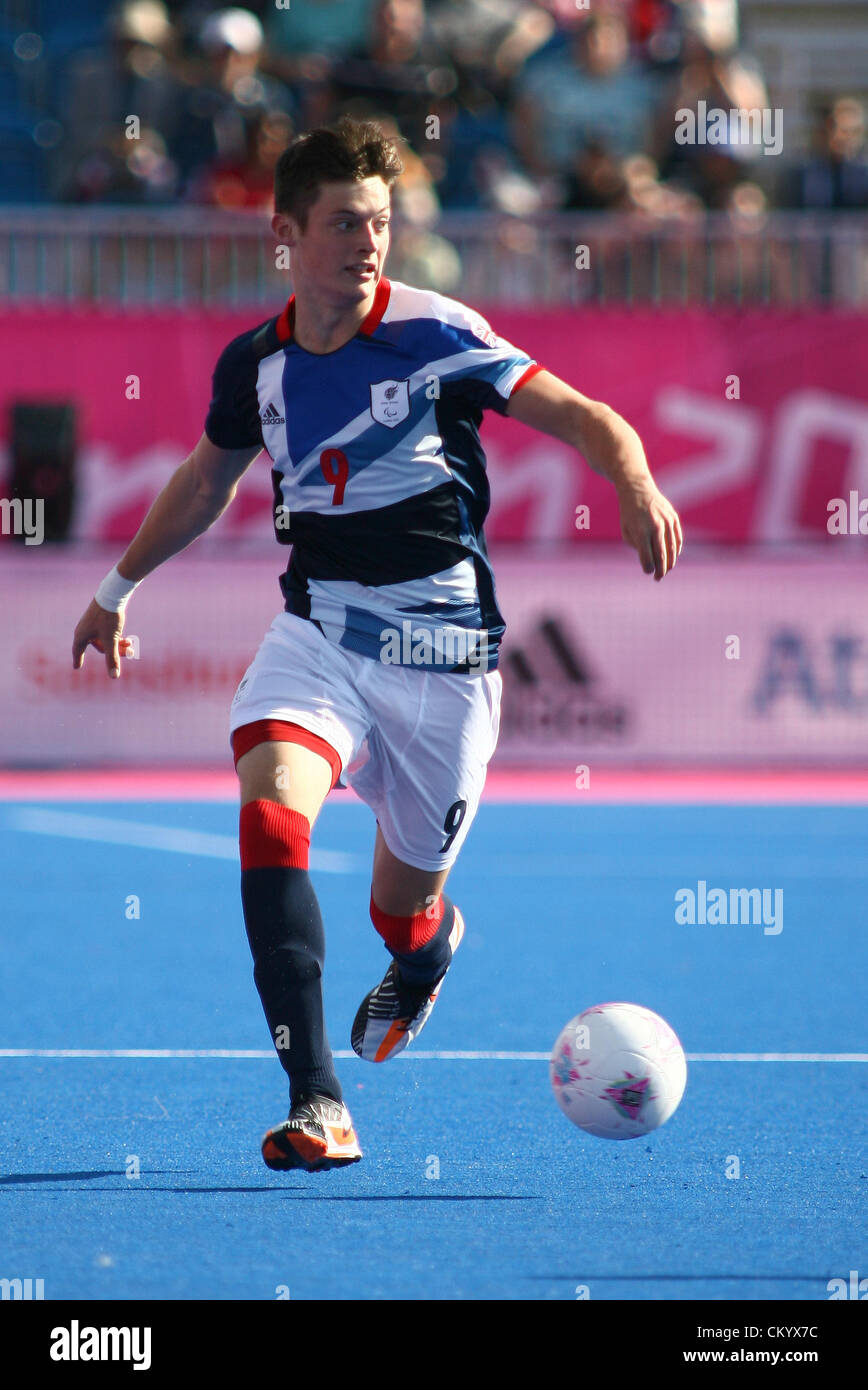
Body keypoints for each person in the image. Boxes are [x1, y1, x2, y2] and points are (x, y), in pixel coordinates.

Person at [72, 116, 682, 1174]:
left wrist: (632, 478)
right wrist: (117, 586)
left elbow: (585, 414)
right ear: (285, 235)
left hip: (448, 666)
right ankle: (318, 1098)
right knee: (268, 813)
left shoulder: (438, 333)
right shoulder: (255, 365)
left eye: (382, 222)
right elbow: (206, 482)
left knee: (398, 908)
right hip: (318, 637)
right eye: (346, 222)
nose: (368, 242)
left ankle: (429, 942)